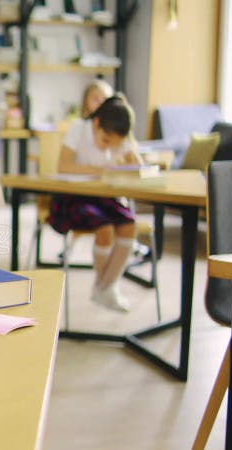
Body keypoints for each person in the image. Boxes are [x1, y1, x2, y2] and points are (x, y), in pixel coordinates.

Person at [48, 95, 143, 312]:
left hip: (103, 197)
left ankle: (105, 288)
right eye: (106, 140)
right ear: (97, 123)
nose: (108, 147)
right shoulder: (78, 128)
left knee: (129, 226)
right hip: (72, 197)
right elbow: (63, 166)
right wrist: (100, 171)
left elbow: (138, 170)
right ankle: (104, 287)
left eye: (114, 143)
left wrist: (129, 148)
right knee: (105, 229)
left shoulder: (118, 136)